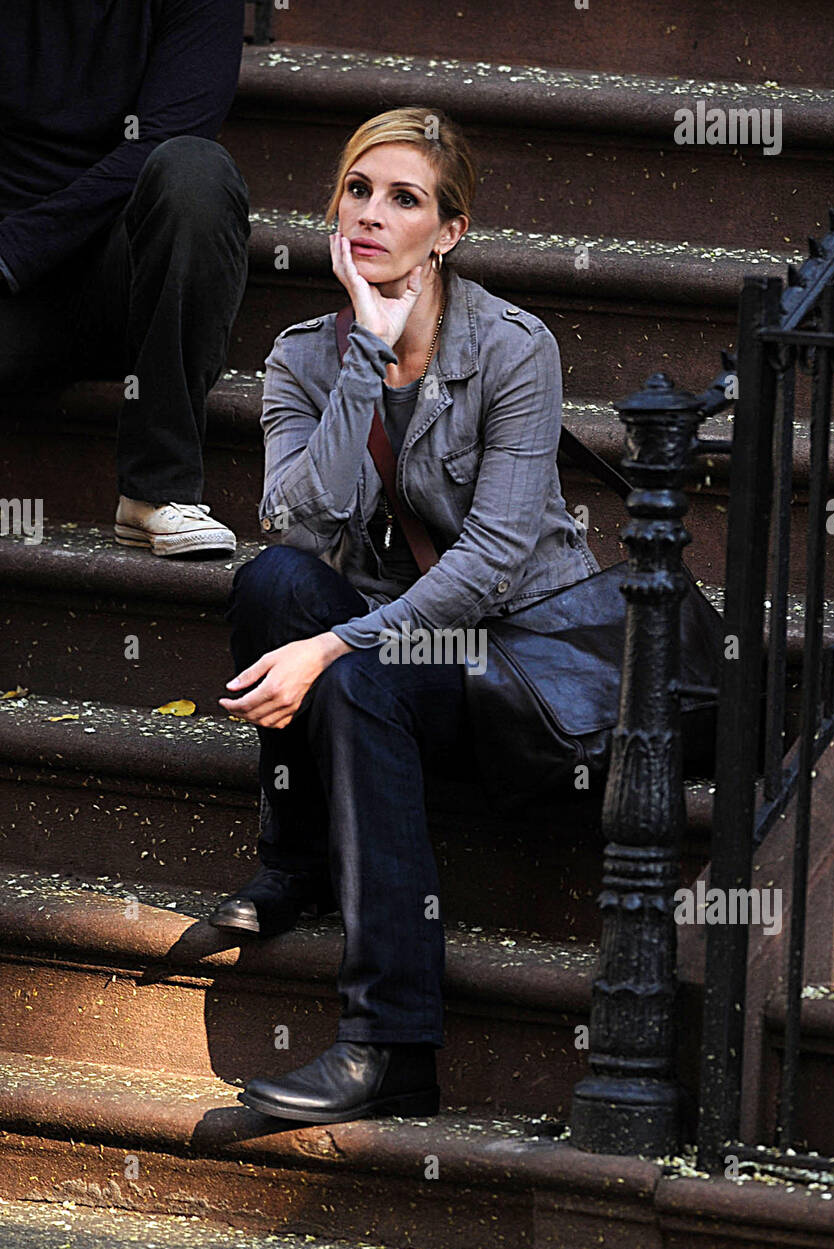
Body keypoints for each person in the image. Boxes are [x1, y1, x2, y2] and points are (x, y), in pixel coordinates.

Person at [212, 107, 599, 1126]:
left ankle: (389, 1045)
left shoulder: (515, 348)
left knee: (341, 660)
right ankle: (296, 860)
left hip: (512, 658)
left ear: (450, 231)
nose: (373, 215)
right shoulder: (304, 355)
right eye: (357, 189)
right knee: (269, 585)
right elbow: (301, 520)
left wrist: (337, 644)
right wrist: (365, 361)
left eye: (405, 198)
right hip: (398, 647)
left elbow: (492, 562)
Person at [0, 2, 250, 557]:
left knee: (196, 171)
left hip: (128, 281)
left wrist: (14, 250)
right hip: (14, 306)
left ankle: (155, 492)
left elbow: (165, 138)